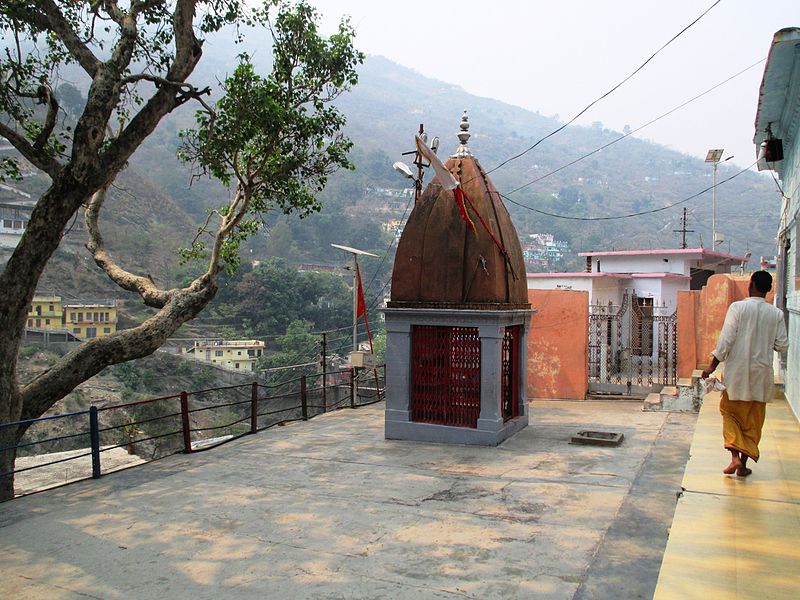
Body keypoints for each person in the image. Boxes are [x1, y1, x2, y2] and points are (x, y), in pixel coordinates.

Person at [701, 271, 789, 477]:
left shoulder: (737, 308)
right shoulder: (775, 314)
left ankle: (734, 459)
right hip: (761, 377)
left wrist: (712, 365)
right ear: (768, 289)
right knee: (753, 422)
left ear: (751, 284)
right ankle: (742, 464)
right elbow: (782, 345)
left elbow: (726, 341)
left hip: (737, 375)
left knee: (730, 414)